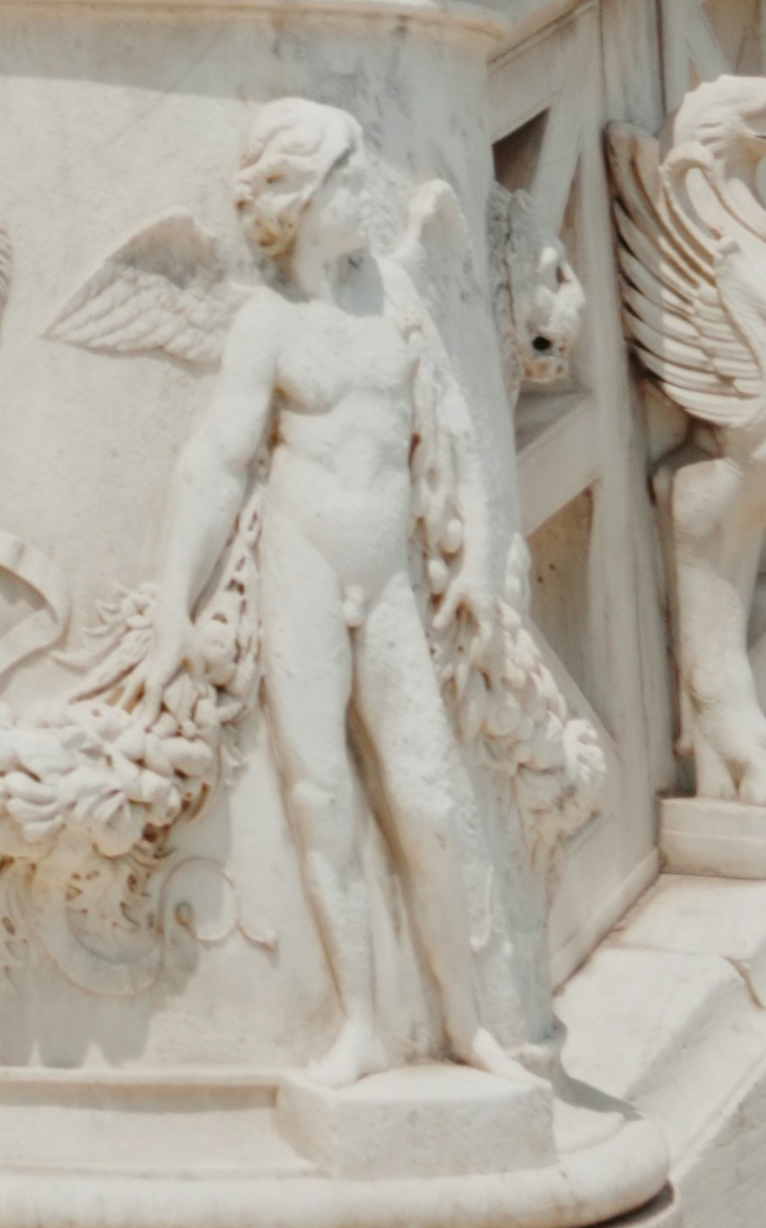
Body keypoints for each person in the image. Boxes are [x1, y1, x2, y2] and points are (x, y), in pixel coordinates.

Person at [133, 99, 534, 1084]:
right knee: (323, 803)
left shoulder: (394, 296)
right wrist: (172, 602)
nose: (364, 194)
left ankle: (463, 1018)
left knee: (428, 796)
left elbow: (455, 440)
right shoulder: (267, 325)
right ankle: (360, 1020)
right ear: (302, 201)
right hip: (303, 574)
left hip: (388, 577)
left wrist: (476, 567)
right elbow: (216, 464)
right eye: (346, 181)